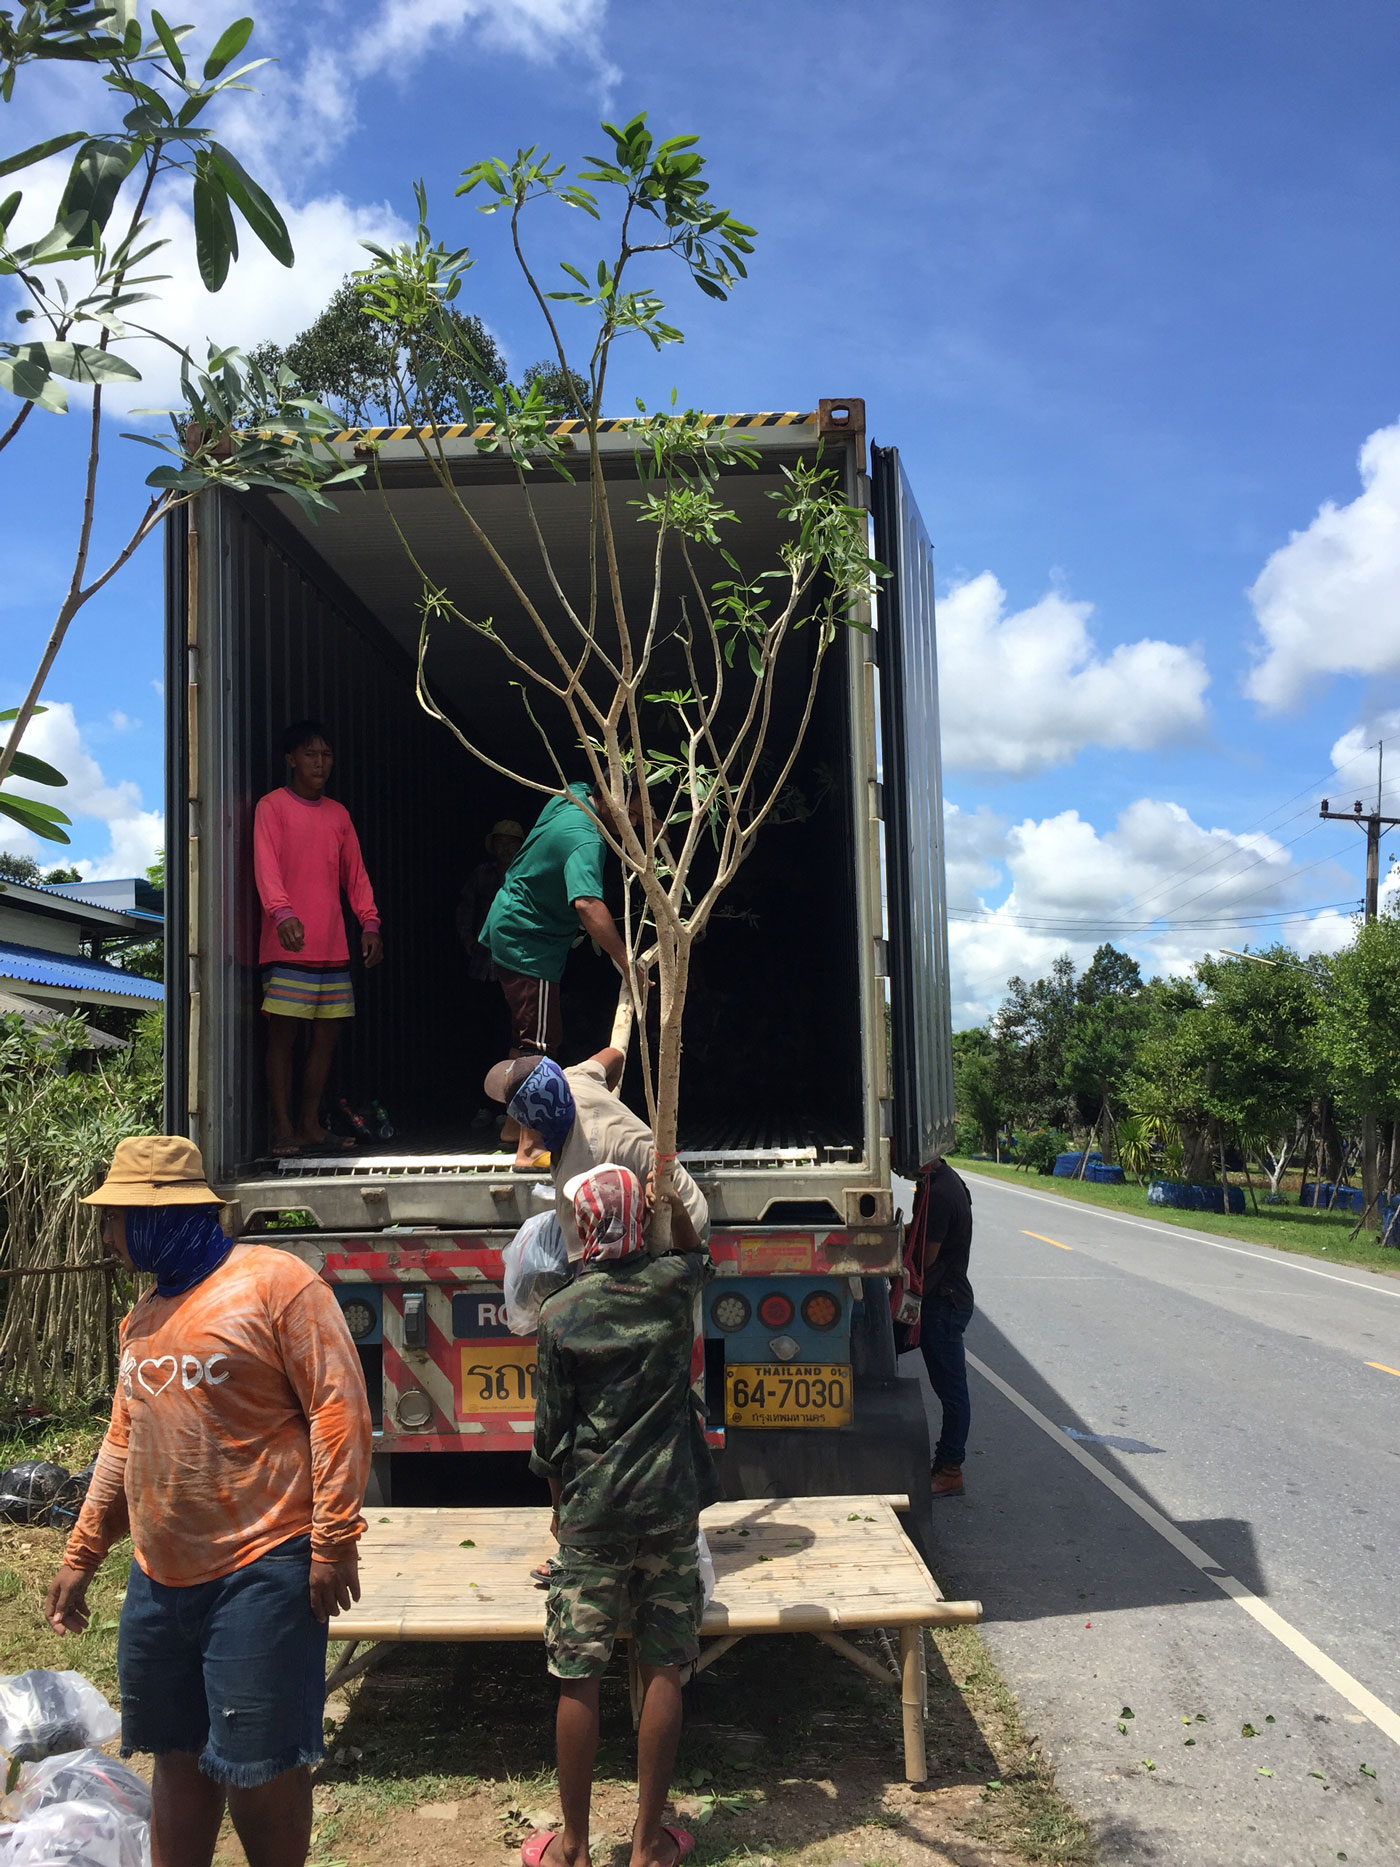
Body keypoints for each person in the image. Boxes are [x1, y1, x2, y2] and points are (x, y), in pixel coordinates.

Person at [44, 1135, 372, 1867]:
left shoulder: (277, 1284)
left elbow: (338, 1410)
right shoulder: (144, 1317)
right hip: (158, 1580)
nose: (107, 1236)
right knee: (176, 1757)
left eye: (116, 1218)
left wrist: (332, 1541)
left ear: (160, 1214)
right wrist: (81, 1554)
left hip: (263, 1567)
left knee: (260, 1771)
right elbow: (122, 1442)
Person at [525, 1162, 714, 1867]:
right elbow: (695, 1250)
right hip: (669, 1507)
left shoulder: (561, 1313)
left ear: (586, 1225)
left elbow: (551, 1436)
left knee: (579, 1672)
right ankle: (648, 1843)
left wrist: (560, 1511)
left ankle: (572, 1847)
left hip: (592, 1514)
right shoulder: (671, 1286)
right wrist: (674, 1204)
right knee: (664, 1663)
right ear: (641, 1220)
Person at [481, 780, 644, 1169]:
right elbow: (587, 903)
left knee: (526, 1035)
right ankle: (530, 1147)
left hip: (516, 927)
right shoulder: (584, 838)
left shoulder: (574, 797)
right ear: (611, 800)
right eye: (633, 814)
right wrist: (626, 962)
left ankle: (513, 1128)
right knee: (538, 1045)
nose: (634, 824)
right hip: (529, 940)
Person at [253, 719, 383, 1158]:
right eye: (310, 754)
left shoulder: (338, 815)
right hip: (287, 945)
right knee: (283, 1039)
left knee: (325, 1041)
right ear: (291, 759)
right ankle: (283, 1128)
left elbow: (356, 875)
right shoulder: (271, 807)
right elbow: (266, 866)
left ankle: (310, 1125)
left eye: (326, 755)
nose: (320, 763)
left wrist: (370, 922)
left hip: (332, 947)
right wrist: (281, 912)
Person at [483, 1050, 709, 1263]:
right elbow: (615, 1055)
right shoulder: (576, 1078)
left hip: (678, 1237)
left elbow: (585, 1264)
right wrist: (603, 1102)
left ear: (526, 1122)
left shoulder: (576, 1180)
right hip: (688, 1198)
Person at [917, 1157, 975, 1498]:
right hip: (943, 1297)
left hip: (944, 1302)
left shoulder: (940, 1193)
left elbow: (926, 1257)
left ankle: (950, 1469)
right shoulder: (940, 1181)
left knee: (952, 1393)